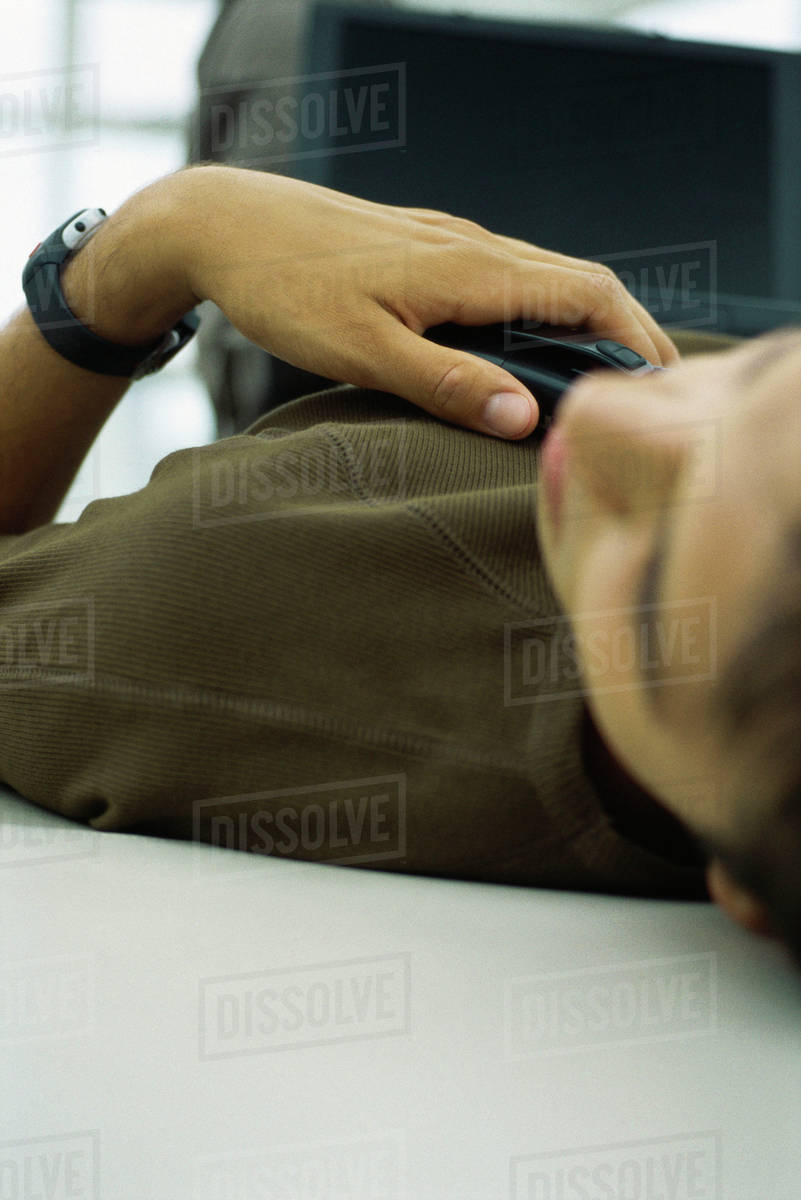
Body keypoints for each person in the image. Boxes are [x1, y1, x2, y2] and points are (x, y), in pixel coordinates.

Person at [1, 164, 797, 970]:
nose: (600, 412)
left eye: (646, 579)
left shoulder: (246, 591)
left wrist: (148, 249)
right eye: (751, 379)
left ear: (743, 887)